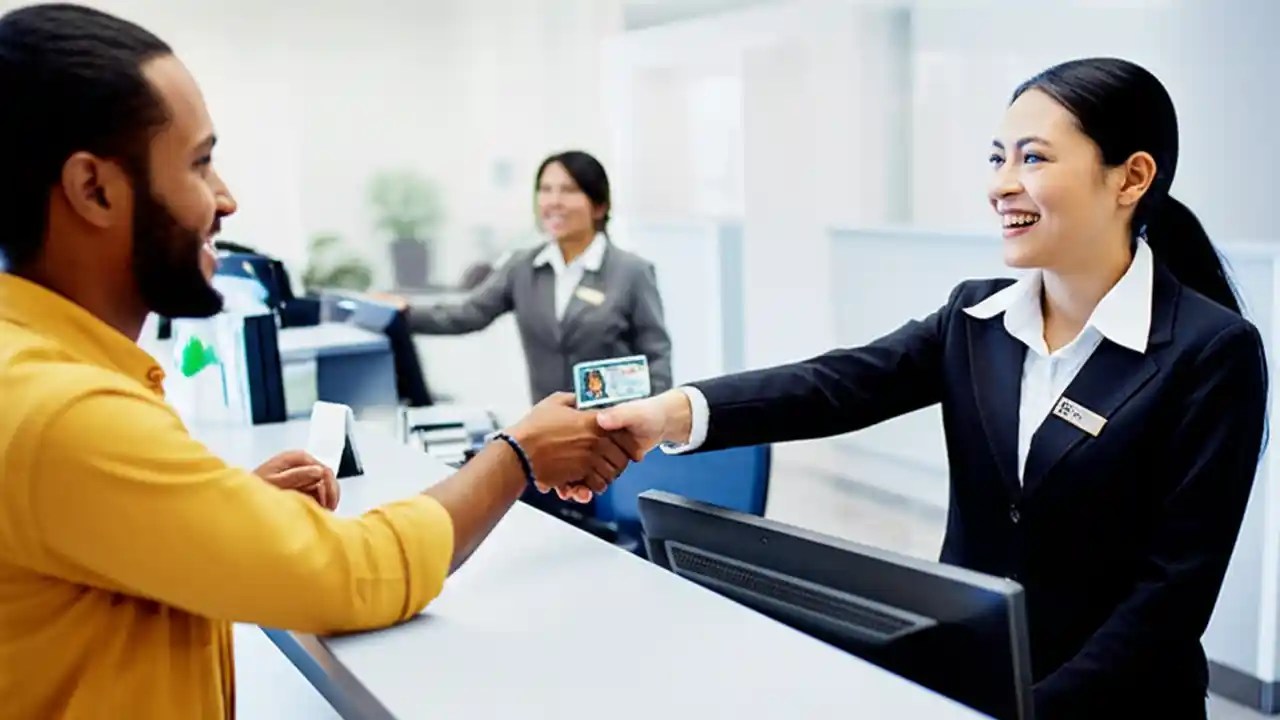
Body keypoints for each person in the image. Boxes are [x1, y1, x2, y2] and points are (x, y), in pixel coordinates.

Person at [0, 6, 630, 719]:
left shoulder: (33, 373)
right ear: (95, 189)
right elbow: (348, 576)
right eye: (200, 162)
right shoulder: (62, 412)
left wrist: (217, 512)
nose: (226, 198)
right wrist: (516, 456)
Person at [597, 58, 1267, 719]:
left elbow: (1169, 597)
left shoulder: (1211, 353)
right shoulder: (975, 321)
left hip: (1116, 705)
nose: (1002, 185)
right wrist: (670, 413)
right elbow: (835, 385)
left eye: (1033, 159)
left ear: (1132, 178)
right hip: (971, 681)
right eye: (996, 158)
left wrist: (1031, 711)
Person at [396, 150, 673, 404]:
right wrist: (402, 313)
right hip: (549, 433)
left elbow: (657, 360)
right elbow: (468, 313)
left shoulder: (632, 272)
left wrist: (654, 432)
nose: (553, 201)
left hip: (616, 434)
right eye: (545, 189)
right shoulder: (522, 267)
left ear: (598, 206)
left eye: (568, 190)